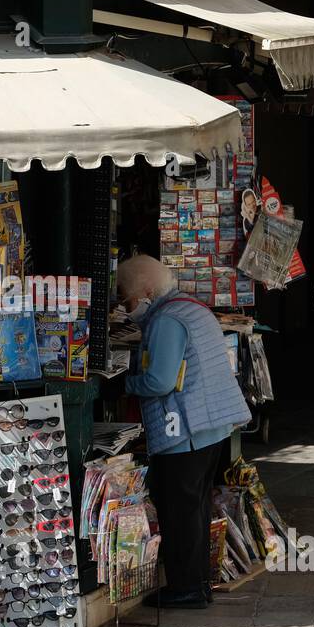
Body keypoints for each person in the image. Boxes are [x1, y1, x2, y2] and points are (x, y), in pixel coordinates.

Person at [117, 255, 251, 609]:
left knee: (179, 509)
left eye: (125, 297)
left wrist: (123, 384)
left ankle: (186, 588)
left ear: (146, 290)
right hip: (211, 427)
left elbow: (159, 381)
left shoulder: (167, 320)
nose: (125, 305)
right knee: (194, 508)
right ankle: (197, 584)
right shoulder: (191, 308)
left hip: (186, 431)